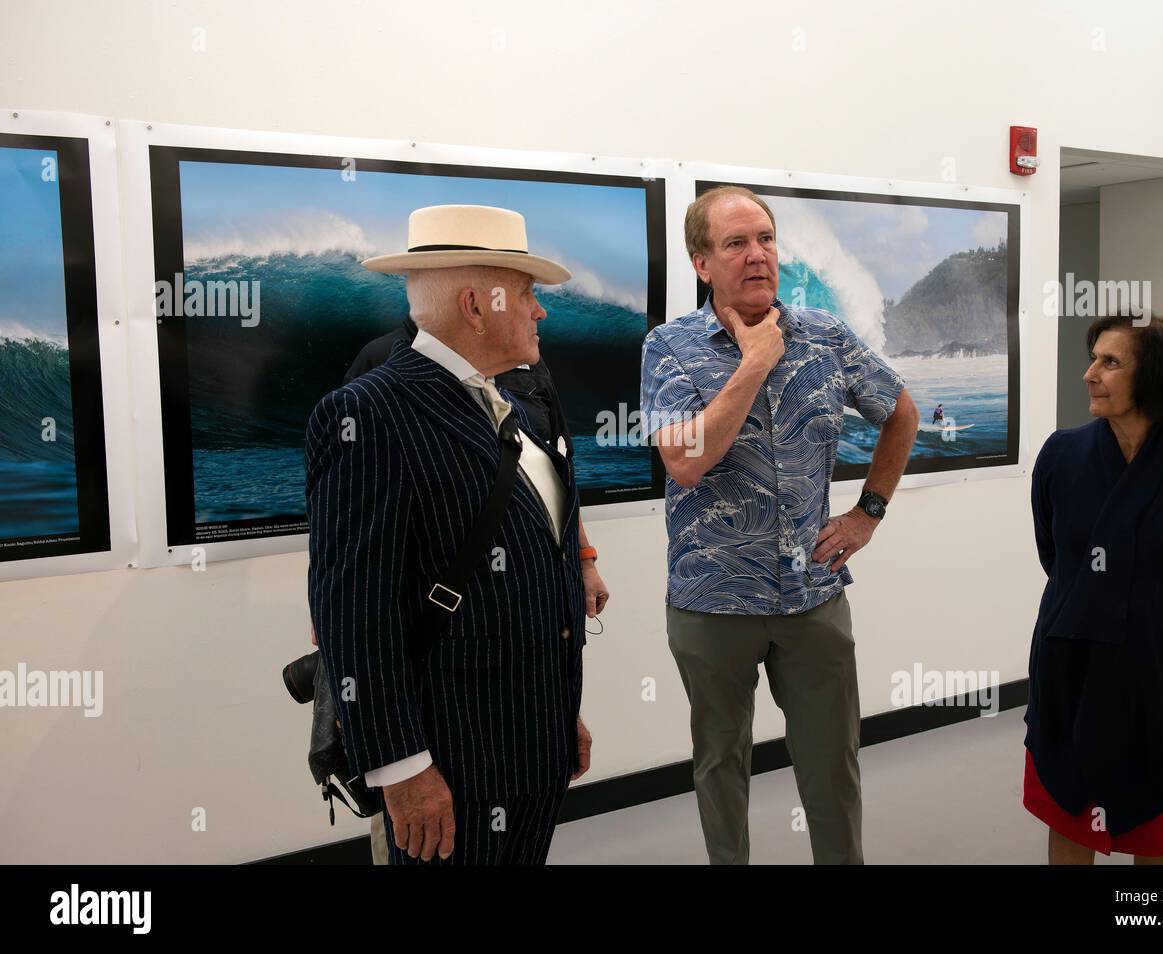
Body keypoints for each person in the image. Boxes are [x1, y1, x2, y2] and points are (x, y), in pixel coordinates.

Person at [306, 204, 593, 864]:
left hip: (533, 745)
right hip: (451, 765)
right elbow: (354, 612)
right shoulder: (368, 411)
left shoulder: (507, 405)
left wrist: (558, 713)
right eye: (526, 295)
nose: (539, 312)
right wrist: (400, 770)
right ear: (476, 303)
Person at [640, 186, 919, 864]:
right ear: (702, 262)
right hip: (713, 602)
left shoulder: (825, 334)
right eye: (736, 243)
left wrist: (868, 513)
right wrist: (756, 360)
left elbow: (902, 414)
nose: (757, 254)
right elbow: (686, 460)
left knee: (832, 767)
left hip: (812, 597)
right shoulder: (669, 347)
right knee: (720, 766)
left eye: (765, 238)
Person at [1024, 314, 1163, 865]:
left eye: (1110, 362)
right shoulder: (1061, 456)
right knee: (1071, 817)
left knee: (1162, 829)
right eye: (1093, 358)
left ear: (1156, 377)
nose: (1089, 374)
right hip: (1073, 671)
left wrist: (1155, 619)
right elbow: (1056, 557)